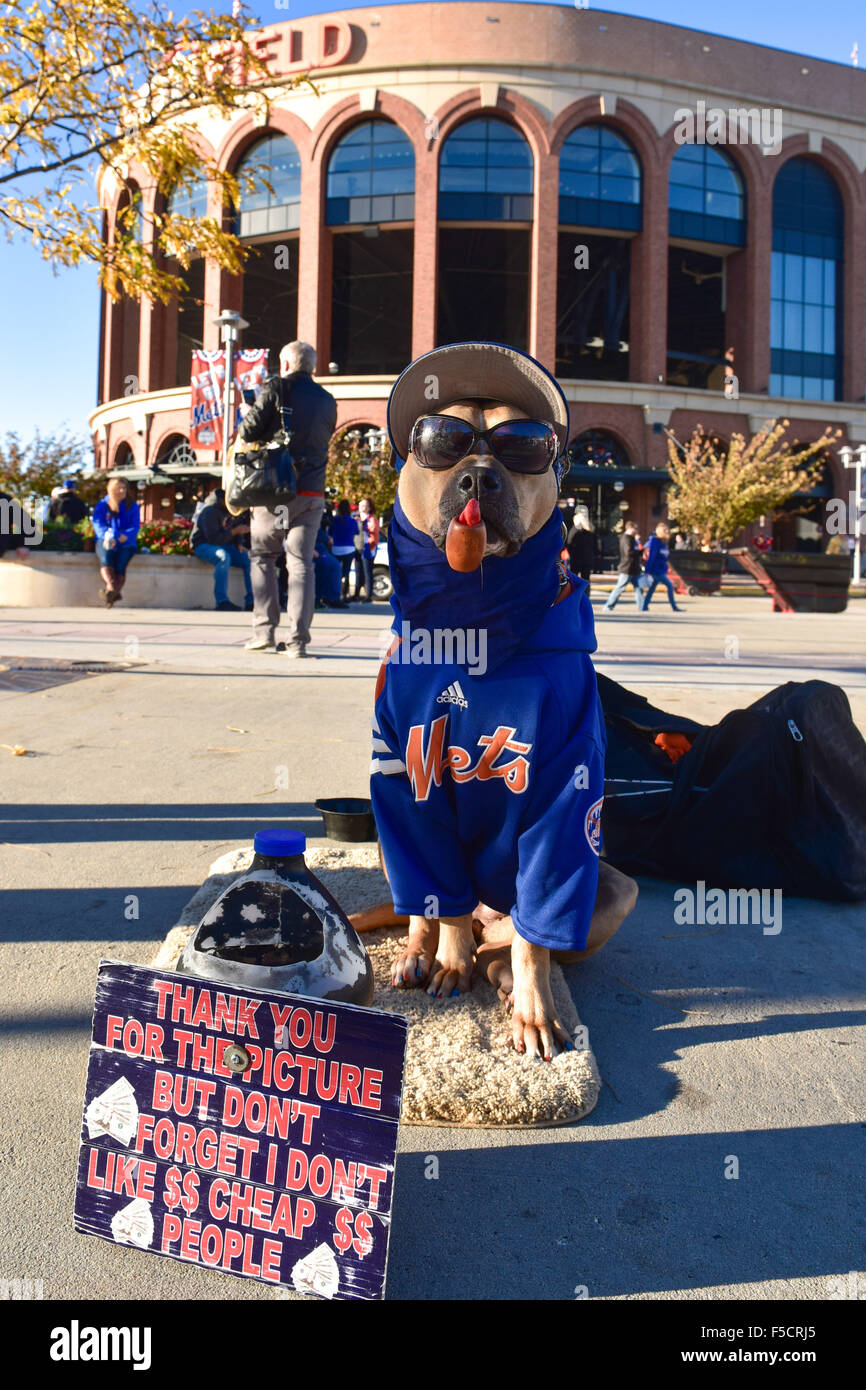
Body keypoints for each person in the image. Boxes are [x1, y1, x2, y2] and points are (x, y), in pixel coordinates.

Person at [239, 340, 337, 656]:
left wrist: (247, 412)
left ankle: (264, 630)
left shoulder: (276, 387)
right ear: (312, 366)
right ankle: (297, 642)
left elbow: (249, 432)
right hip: (312, 492)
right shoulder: (327, 400)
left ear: (285, 364)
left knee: (264, 556)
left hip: (277, 491)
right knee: (301, 563)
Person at [191, 485, 253, 612]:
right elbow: (213, 539)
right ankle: (222, 601)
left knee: (248, 560)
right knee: (223, 557)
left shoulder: (233, 512)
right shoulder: (210, 511)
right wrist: (235, 532)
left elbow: (234, 531)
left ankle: (251, 602)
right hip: (203, 544)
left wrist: (239, 544)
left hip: (224, 544)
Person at [92, 477, 140, 606]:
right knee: (106, 560)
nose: (122, 490)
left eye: (124, 488)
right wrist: (112, 536)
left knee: (121, 565)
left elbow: (135, 526)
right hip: (106, 539)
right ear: (111, 490)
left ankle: (109, 594)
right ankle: (113, 589)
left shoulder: (132, 505)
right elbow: (98, 524)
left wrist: (123, 536)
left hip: (126, 542)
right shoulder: (103, 505)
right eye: (119, 488)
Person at [602, 520, 644, 611]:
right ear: (630, 528)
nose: (636, 530)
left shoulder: (631, 538)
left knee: (639, 588)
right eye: (635, 528)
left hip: (633, 568)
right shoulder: (626, 538)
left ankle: (642, 607)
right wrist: (640, 551)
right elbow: (628, 552)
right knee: (620, 588)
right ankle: (608, 606)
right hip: (627, 568)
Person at [641, 522, 682, 612]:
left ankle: (644, 607)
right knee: (670, 586)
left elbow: (665, 557)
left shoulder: (663, 543)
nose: (667, 532)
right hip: (656, 570)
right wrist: (647, 570)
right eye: (665, 531)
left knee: (652, 589)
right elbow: (652, 556)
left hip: (661, 569)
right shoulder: (655, 542)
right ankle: (674, 607)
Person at [329, 497, 360, 599]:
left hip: (336, 548)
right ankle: (344, 595)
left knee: (336, 572)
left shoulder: (334, 520)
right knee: (346, 573)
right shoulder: (352, 521)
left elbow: (329, 533)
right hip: (349, 549)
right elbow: (357, 532)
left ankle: (334, 594)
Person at [313, 524, 349, 609]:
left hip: (319, 548)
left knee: (334, 565)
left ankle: (330, 598)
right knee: (325, 565)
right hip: (310, 546)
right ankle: (317, 599)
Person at [353, 496, 380, 601]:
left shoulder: (372, 519)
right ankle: (356, 594)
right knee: (358, 571)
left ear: (369, 508)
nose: (361, 507)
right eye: (360, 505)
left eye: (364, 505)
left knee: (367, 571)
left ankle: (369, 595)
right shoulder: (356, 518)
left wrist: (370, 545)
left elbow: (374, 535)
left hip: (368, 548)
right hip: (357, 548)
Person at [565, 508, 595, 586]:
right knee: (584, 581)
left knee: (574, 580)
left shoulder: (574, 534)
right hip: (584, 560)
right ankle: (584, 595)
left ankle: (578, 595)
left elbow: (568, 545)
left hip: (577, 560)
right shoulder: (590, 534)